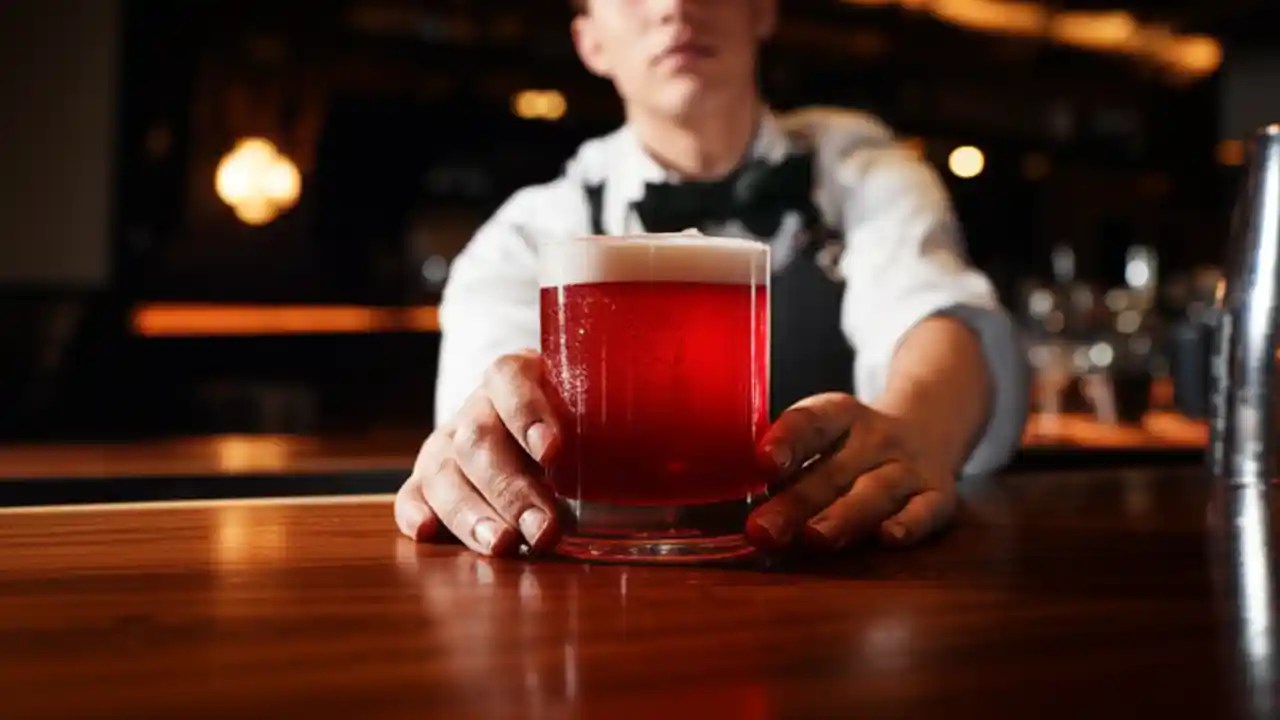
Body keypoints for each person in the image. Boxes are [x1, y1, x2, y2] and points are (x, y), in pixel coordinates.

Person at [394, 0, 1028, 556]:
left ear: (763, 9)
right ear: (590, 42)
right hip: (605, 603)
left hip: (834, 584)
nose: (674, 4)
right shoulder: (530, 231)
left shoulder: (858, 168)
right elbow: (482, 404)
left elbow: (936, 314)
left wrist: (918, 430)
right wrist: (478, 446)